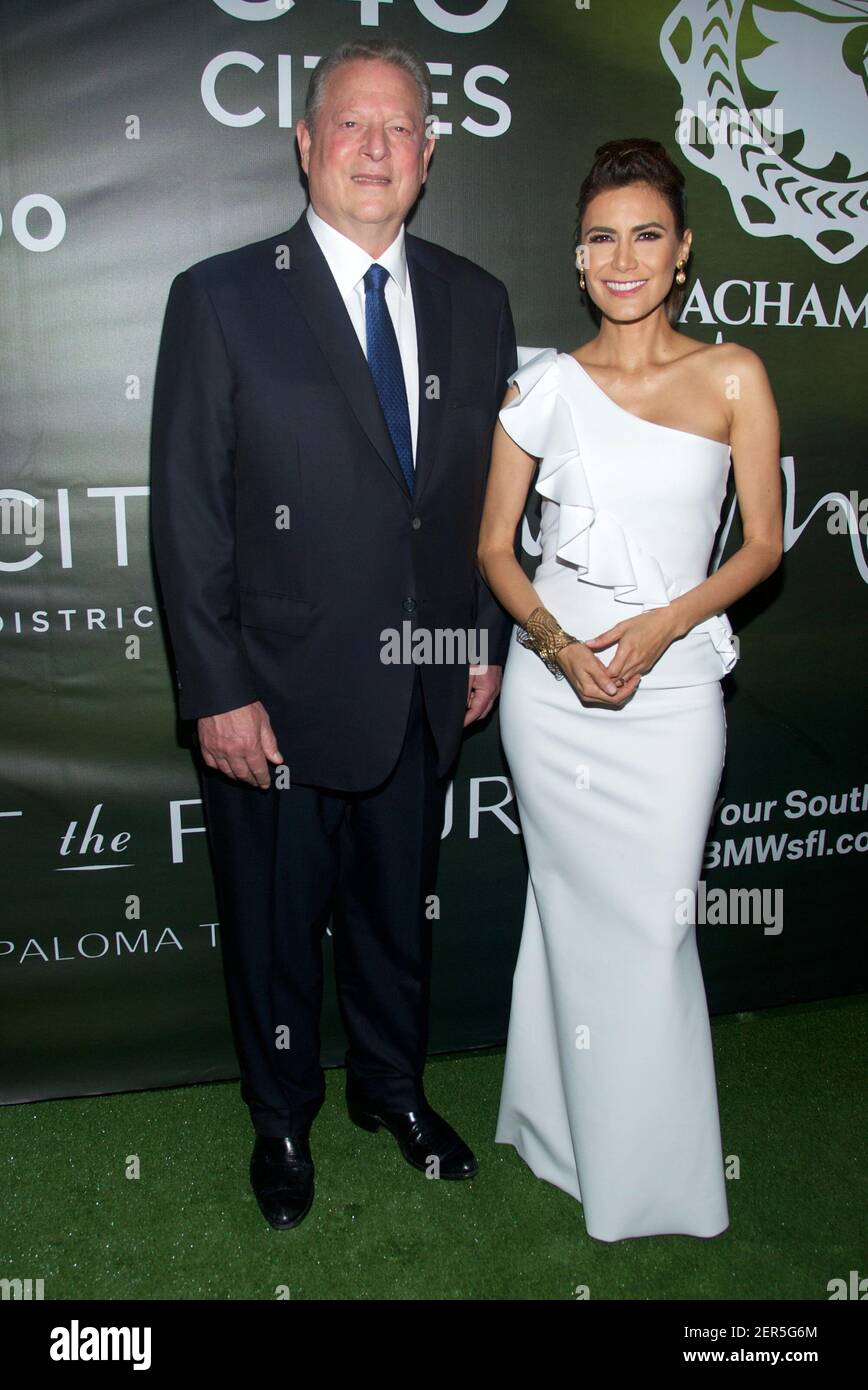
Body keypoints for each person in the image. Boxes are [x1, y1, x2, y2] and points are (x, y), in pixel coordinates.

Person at [150, 38, 517, 1230]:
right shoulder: (220, 296)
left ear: (427, 156)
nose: (374, 147)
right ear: (304, 145)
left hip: (418, 687)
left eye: (399, 128)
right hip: (274, 699)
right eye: (349, 126)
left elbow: (470, 508)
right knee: (272, 934)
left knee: (395, 911)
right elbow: (191, 514)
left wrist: (475, 642)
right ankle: (282, 1118)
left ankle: (395, 1091)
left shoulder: (476, 299)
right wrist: (217, 688)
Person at [477, 138, 782, 1242]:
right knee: (566, 912)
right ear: (577, 255)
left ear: (681, 250)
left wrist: (661, 624)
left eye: (645, 234)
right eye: (602, 236)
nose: (623, 257)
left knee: (649, 925)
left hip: (674, 688)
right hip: (553, 698)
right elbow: (496, 552)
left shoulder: (733, 375)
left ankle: (646, 1174)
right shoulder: (543, 386)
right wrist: (559, 647)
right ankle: (555, 1131)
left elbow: (761, 548)